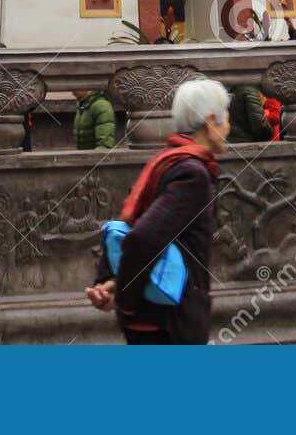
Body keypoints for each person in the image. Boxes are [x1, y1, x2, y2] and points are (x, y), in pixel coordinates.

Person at [85, 78, 228, 345]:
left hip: (152, 318)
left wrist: (112, 280)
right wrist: (126, 301)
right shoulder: (191, 174)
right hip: (169, 321)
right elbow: (142, 238)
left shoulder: (166, 159)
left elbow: (126, 221)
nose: (228, 128)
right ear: (210, 121)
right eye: (225, 120)